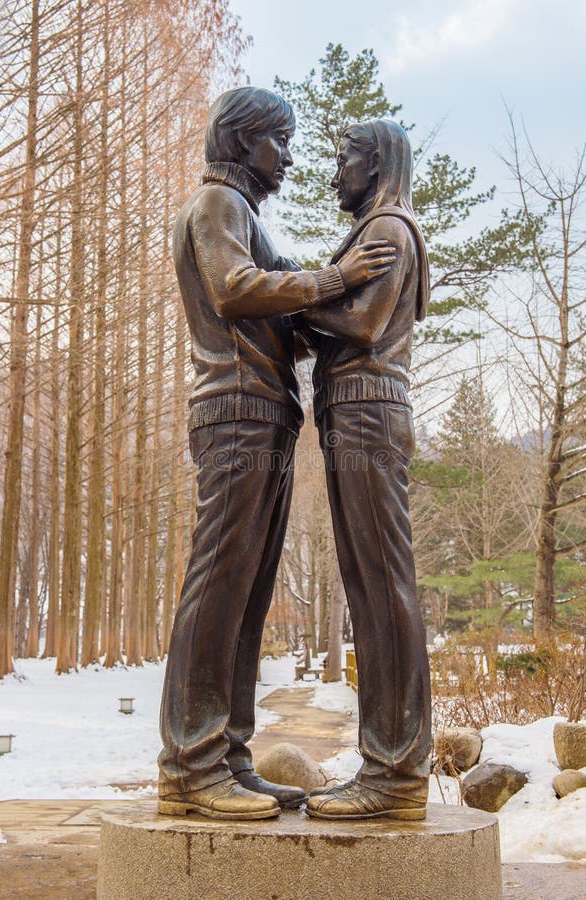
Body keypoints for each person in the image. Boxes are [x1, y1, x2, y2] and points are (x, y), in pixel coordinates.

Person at [158, 87, 395, 821]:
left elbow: (271, 304)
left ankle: (226, 755)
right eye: (280, 142)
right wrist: (336, 279)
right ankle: (190, 766)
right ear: (240, 140)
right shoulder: (218, 207)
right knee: (219, 586)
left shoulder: (243, 215)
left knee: (247, 593)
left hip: (260, 413)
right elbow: (235, 290)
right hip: (235, 411)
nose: (289, 159)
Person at [300, 119, 432, 821]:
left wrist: (293, 297)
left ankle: (397, 769)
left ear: (375, 161)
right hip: (353, 409)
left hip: (368, 411)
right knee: (370, 583)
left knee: (383, 585)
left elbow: (363, 323)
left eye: (343, 159)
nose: (332, 176)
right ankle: (389, 760)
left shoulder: (386, 229)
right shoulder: (374, 228)